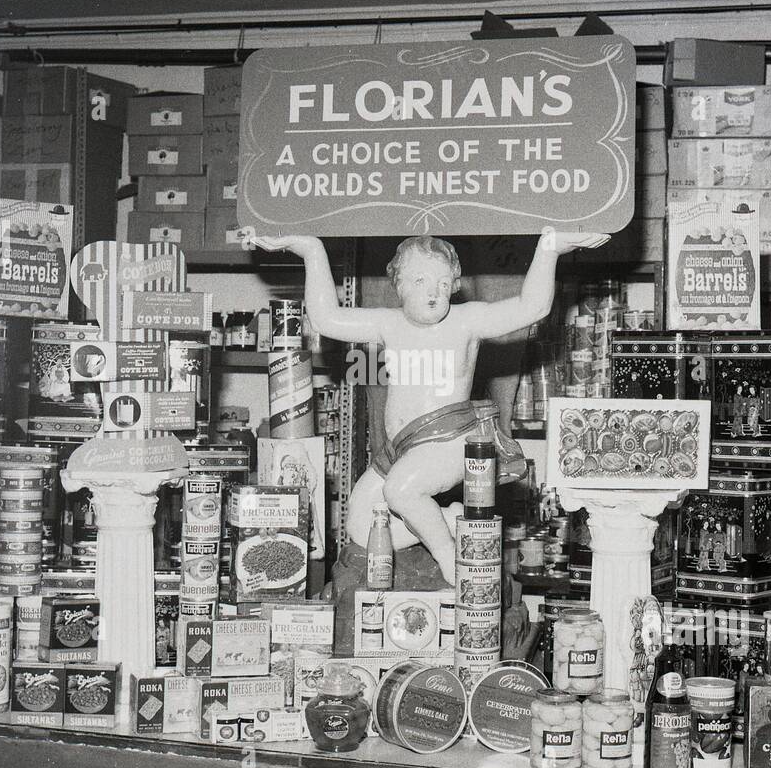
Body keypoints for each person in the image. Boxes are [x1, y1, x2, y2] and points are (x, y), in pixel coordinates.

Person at [252, 229, 608, 584]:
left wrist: (549, 249)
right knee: (362, 525)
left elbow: (532, 307)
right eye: (420, 280)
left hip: (449, 439)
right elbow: (326, 318)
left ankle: (448, 555)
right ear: (399, 285)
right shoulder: (387, 323)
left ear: (454, 284)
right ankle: (448, 520)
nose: (433, 291)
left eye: (442, 281)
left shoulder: (467, 320)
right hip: (402, 448)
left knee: (400, 491)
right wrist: (312, 249)